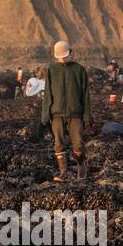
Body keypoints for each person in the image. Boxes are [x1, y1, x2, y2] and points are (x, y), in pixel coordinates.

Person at [42, 40, 91, 181]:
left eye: (65, 54)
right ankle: (63, 172)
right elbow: (47, 94)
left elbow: (85, 95)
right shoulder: (51, 70)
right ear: (56, 56)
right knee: (58, 143)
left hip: (76, 113)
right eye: (60, 55)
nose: (63, 57)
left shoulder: (80, 70)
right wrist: (45, 115)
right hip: (56, 113)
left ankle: (81, 164)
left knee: (78, 144)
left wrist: (87, 116)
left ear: (70, 53)